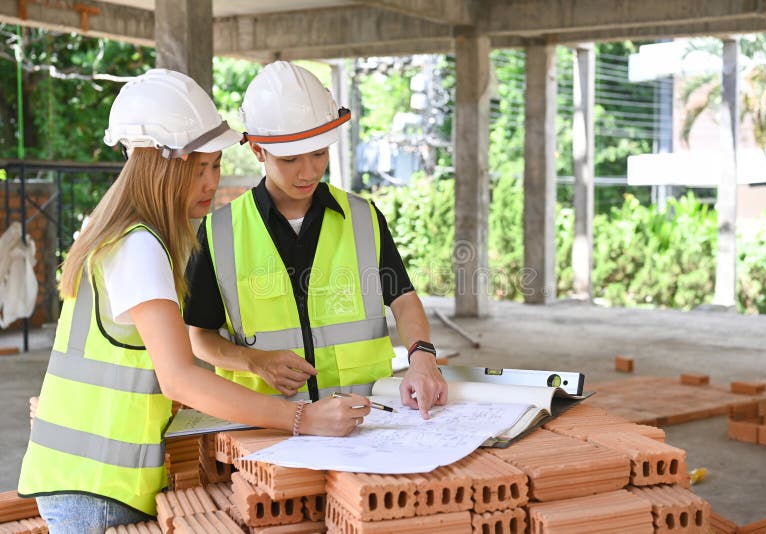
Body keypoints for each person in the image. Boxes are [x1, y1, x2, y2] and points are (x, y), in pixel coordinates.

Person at [17, 69, 370, 533]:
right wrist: (301, 417)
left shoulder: (119, 236)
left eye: (215, 165)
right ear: (160, 165)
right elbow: (179, 377)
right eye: (197, 167)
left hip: (83, 480)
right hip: (98, 489)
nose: (210, 181)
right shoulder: (139, 247)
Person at [184, 61, 448, 419]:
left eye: (319, 153)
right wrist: (254, 361)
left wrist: (422, 357)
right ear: (258, 150)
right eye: (290, 158)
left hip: (365, 420)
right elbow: (199, 336)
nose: (308, 172)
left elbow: (402, 299)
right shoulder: (220, 232)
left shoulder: (363, 217)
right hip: (268, 427)